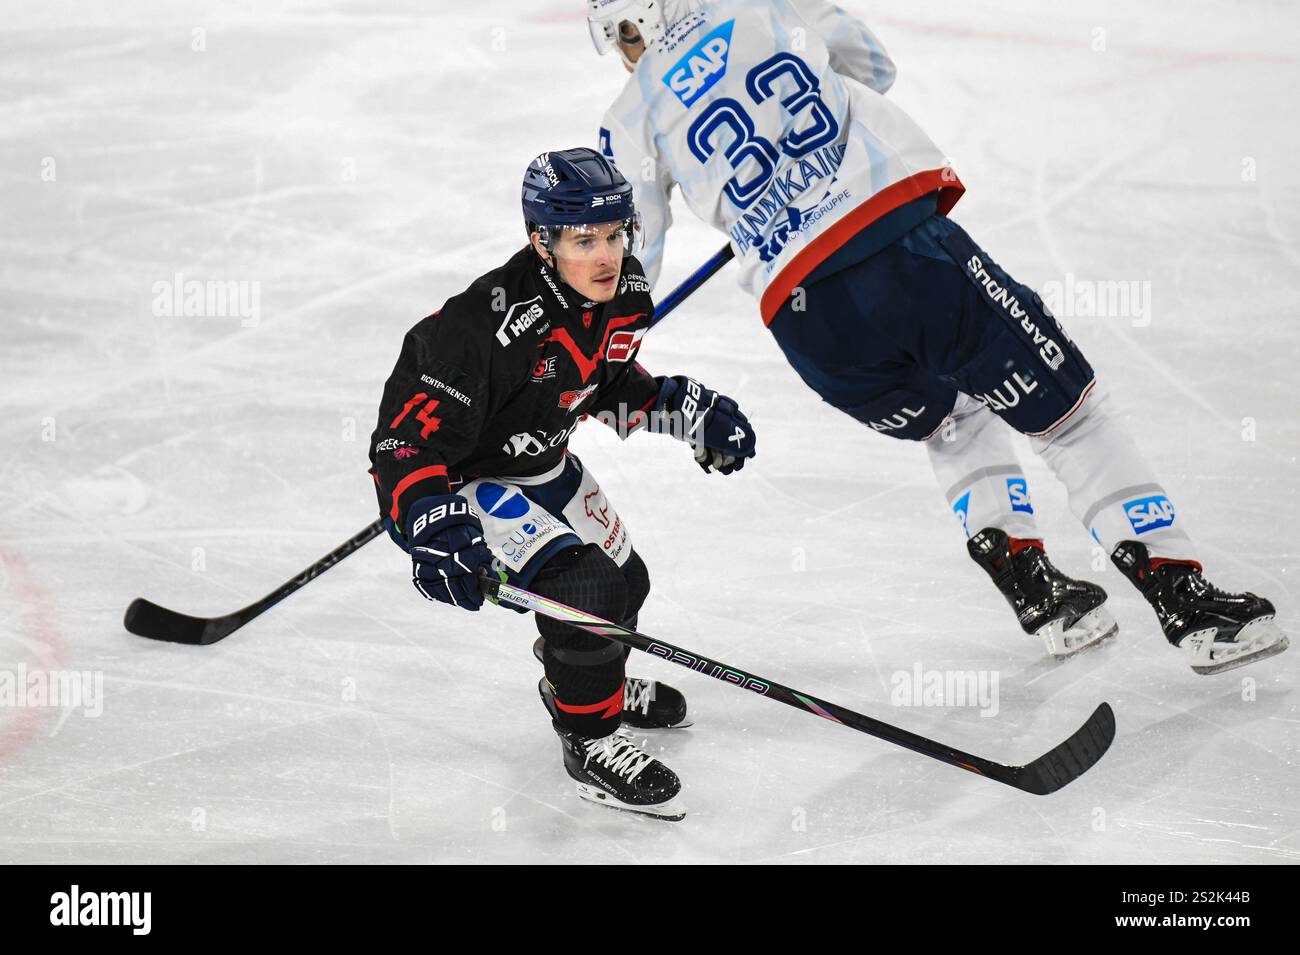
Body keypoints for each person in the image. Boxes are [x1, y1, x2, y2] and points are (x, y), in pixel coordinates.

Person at [582, 0, 1288, 673]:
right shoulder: (764, 6)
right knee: (1072, 418)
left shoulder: (629, 117)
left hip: (808, 324)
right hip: (901, 255)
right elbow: (872, 67)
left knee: (954, 418)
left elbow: (625, 271)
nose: (628, 55)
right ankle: (1187, 601)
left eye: (624, 37)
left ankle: (1039, 592)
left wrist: (578, 369)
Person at [367, 147, 756, 820]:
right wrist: (430, 520)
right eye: (583, 241)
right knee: (588, 592)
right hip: (472, 481)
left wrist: (682, 411)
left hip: (544, 463)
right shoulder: (479, 327)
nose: (606, 257)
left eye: (614, 235)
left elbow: (599, 384)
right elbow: (403, 444)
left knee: (627, 583)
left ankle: (589, 684)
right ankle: (590, 738)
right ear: (540, 241)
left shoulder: (625, 292)